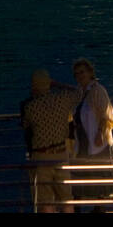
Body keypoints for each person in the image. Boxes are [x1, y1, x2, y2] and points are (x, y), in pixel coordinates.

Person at [20, 68, 82, 212]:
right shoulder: (62, 99)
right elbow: (78, 92)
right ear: (49, 83)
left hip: (41, 157)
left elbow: (25, 125)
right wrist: (58, 84)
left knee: (45, 200)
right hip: (61, 154)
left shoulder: (30, 107)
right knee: (66, 199)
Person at [70, 58, 113, 212]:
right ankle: (79, 208)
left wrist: (100, 134)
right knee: (81, 179)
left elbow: (106, 114)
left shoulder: (98, 90)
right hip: (83, 143)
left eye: (82, 72)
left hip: (97, 142)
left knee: (99, 180)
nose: (79, 76)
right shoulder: (79, 93)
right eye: (76, 74)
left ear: (90, 72)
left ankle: (98, 208)